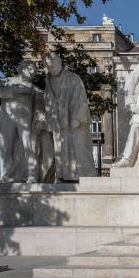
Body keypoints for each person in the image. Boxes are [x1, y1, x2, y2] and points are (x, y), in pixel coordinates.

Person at [40, 53, 95, 182]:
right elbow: (47, 100)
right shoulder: (48, 80)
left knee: (79, 147)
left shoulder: (73, 78)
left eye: (53, 65)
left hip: (74, 121)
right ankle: (62, 176)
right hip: (58, 122)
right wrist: (49, 119)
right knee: (59, 149)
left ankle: (84, 176)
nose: (51, 68)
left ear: (59, 63)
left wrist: (77, 117)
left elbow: (81, 99)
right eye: (48, 67)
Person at [0, 60, 39, 182]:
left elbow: (43, 101)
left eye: (34, 70)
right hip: (7, 116)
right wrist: (14, 90)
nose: (33, 72)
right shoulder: (6, 81)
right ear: (22, 68)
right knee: (5, 145)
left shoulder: (33, 88)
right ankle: (6, 175)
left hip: (24, 118)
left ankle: (32, 174)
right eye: (31, 68)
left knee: (28, 144)